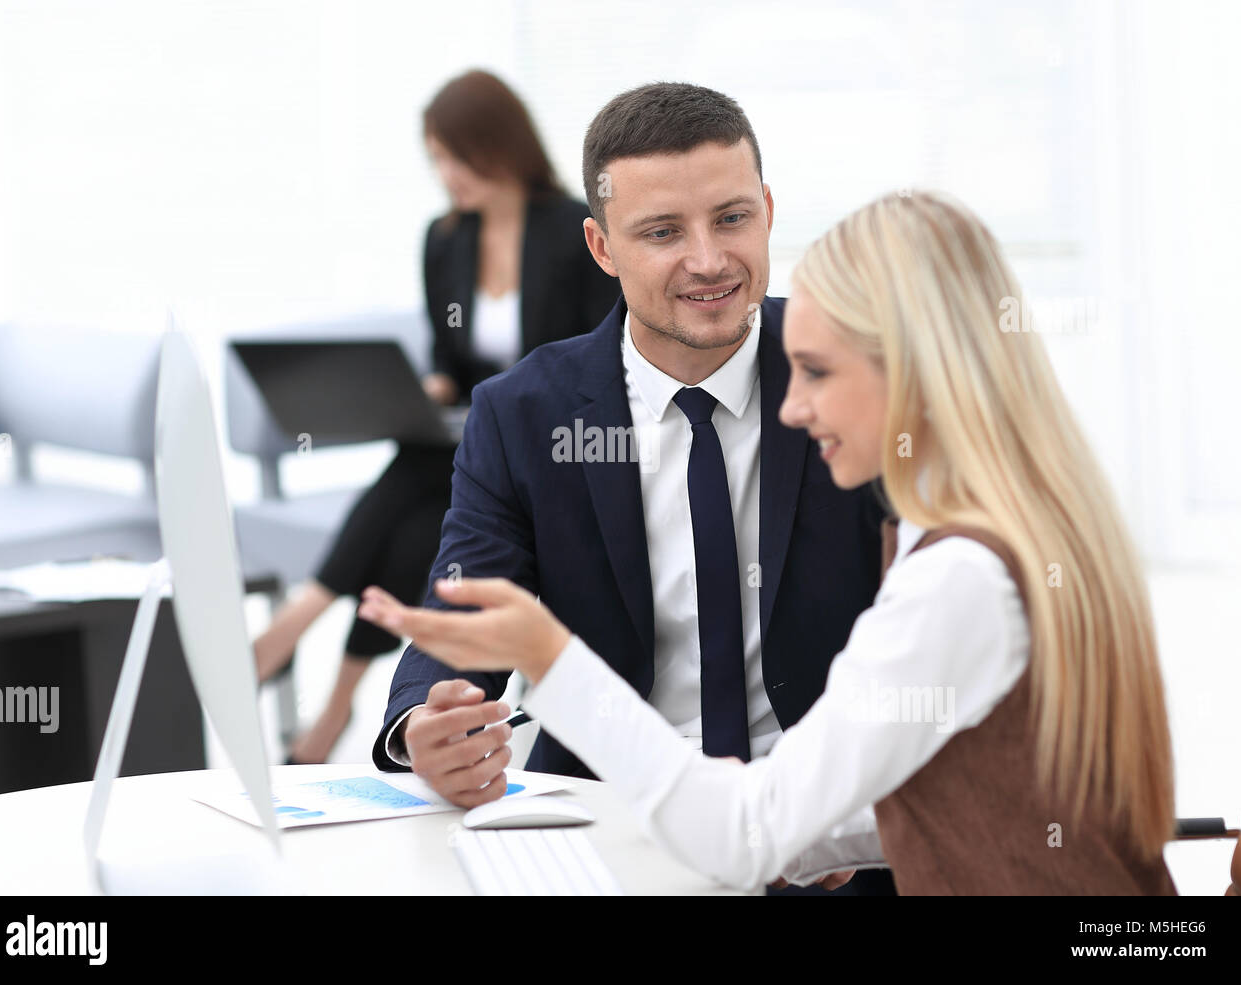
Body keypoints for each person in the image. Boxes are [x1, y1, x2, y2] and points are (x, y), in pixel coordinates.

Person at [358, 189, 1179, 895]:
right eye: (662, 230)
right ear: (602, 247)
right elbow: (978, 778)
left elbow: (744, 834)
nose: (792, 404)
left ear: (919, 371)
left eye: (818, 374)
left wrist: (551, 657)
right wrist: (817, 830)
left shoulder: (958, 575)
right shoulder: (1020, 526)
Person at [371, 82, 898, 895]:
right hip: (613, 837)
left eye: (731, 217)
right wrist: (425, 722)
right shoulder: (522, 414)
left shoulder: (861, 371)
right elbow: (466, 608)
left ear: (766, 208)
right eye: (662, 232)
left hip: (831, 846)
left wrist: (855, 811)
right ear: (602, 246)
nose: (710, 259)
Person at [253, 69, 618, 763]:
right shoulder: (445, 238)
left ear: (500, 145)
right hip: (466, 433)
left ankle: (307, 634)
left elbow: (589, 354)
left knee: (422, 505)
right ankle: (330, 707)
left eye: (457, 156)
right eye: (437, 161)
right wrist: (434, 383)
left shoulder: (571, 232)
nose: (447, 175)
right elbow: (452, 353)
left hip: (548, 430)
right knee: (423, 492)